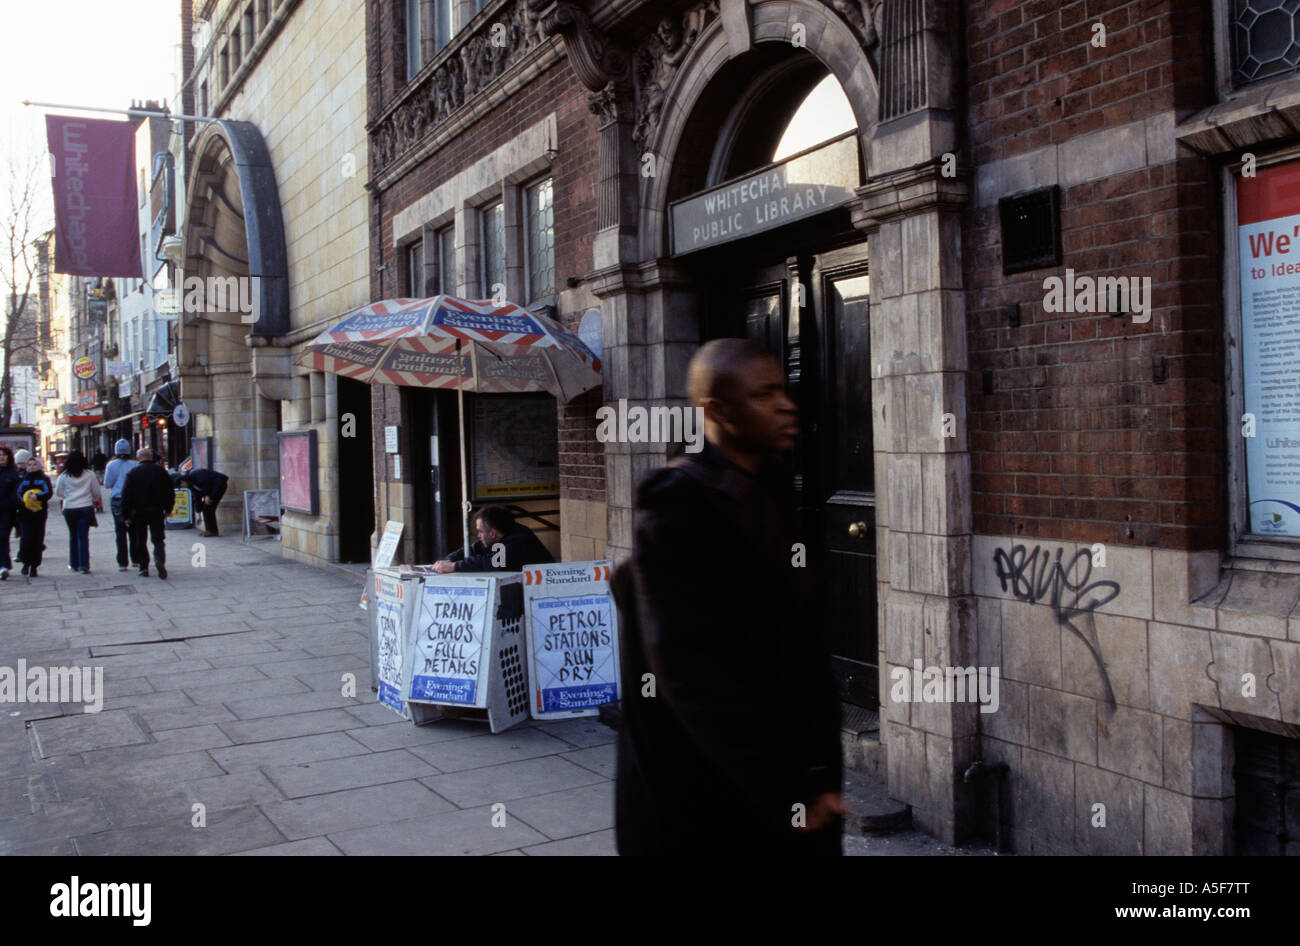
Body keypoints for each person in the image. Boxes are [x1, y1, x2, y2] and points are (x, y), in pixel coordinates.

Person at [613, 338, 846, 856]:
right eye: (765, 394)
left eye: (783, 390)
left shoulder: (768, 487)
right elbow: (687, 674)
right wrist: (787, 793)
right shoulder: (677, 508)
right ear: (716, 410)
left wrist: (819, 775)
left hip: (789, 785)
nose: (787, 404)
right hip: (712, 804)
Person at [431, 505, 554, 574]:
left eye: (480, 531)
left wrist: (455, 566)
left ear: (493, 533)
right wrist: (448, 560)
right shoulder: (502, 535)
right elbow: (475, 548)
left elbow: (491, 563)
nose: (478, 536)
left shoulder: (519, 541)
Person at [121, 447, 173, 580]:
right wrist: (168, 509)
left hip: (138, 511)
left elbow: (126, 495)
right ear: (150, 457)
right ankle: (159, 559)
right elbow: (169, 491)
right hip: (156, 510)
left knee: (140, 539)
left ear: (138, 458)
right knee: (158, 539)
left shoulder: (132, 472)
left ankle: (143, 567)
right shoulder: (160, 471)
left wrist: (126, 515)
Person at [54, 451, 103, 574]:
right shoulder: (89, 474)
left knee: (73, 536)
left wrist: (68, 497)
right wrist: (92, 499)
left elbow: (59, 493)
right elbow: (97, 492)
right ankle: (84, 565)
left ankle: (73, 563)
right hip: (85, 507)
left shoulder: (64, 476)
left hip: (70, 508)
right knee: (83, 536)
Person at [102, 439, 139, 573]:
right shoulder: (135, 464)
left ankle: (122, 562)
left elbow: (107, 484)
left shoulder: (111, 465)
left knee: (120, 531)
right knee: (134, 531)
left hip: (117, 499)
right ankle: (136, 559)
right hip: (133, 500)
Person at [15, 455, 53, 578]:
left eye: (34, 464)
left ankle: (34, 566)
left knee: (37, 540)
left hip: (39, 514)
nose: (31, 467)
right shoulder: (22, 479)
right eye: (29, 465)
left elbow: (48, 492)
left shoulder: (43, 479)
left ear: (38, 466)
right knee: (26, 539)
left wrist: (38, 497)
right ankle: (26, 563)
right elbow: (17, 495)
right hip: (25, 514)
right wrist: (25, 504)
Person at [177, 467, 228, 536]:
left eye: (181, 486)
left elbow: (206, 482)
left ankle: (213, 531)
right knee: (205, 507)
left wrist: (208, 495)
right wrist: (198, 513)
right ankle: (209, 530)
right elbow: (197, 497)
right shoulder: (190, 485)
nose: (183, 488)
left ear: (183, 481)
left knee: (208, 507)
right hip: (211, 488)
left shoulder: (194, 475)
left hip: (218, 484)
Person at [0, 447, 19, 580]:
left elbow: (15, 494)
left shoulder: (13, 474)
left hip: (7, 511)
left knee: (2, 537)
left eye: (4, 455)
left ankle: (3, 566)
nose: (2, 457)